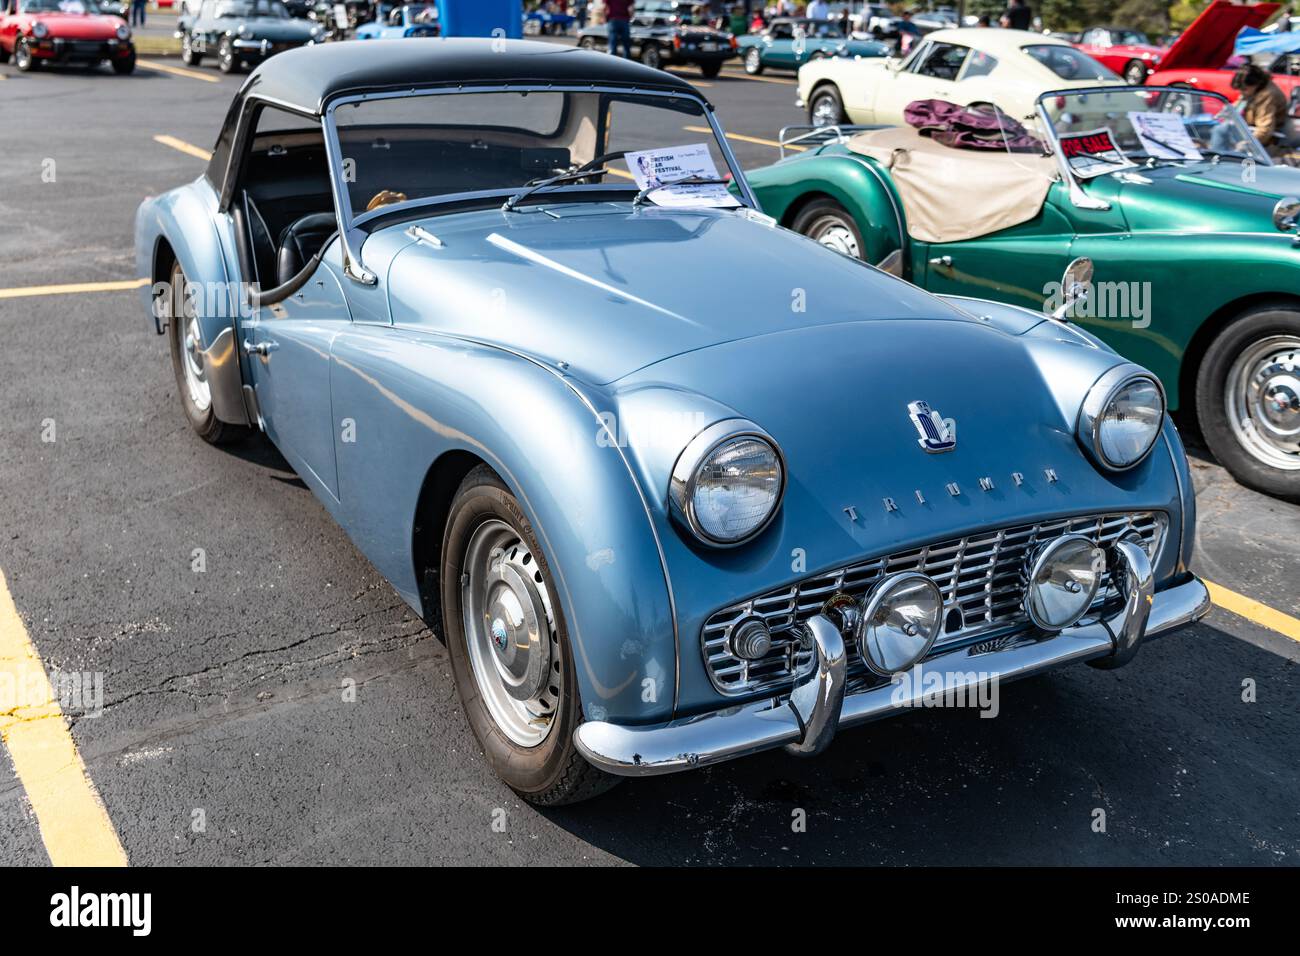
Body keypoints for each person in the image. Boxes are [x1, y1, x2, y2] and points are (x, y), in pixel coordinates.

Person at [1213, 63, 1293, 158]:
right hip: (1250, 129)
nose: (1241, 93)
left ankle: (1220, 161)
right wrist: (1227, 112)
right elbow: (1237, 106)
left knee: (1223, 130)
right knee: (1221, 129)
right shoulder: (1253, 90)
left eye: (1244, 89)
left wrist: (1248, 143)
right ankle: (1217, 156)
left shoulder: (1267, 96)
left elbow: (1265, 130)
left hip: (1266, 139)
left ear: (1257, 83)